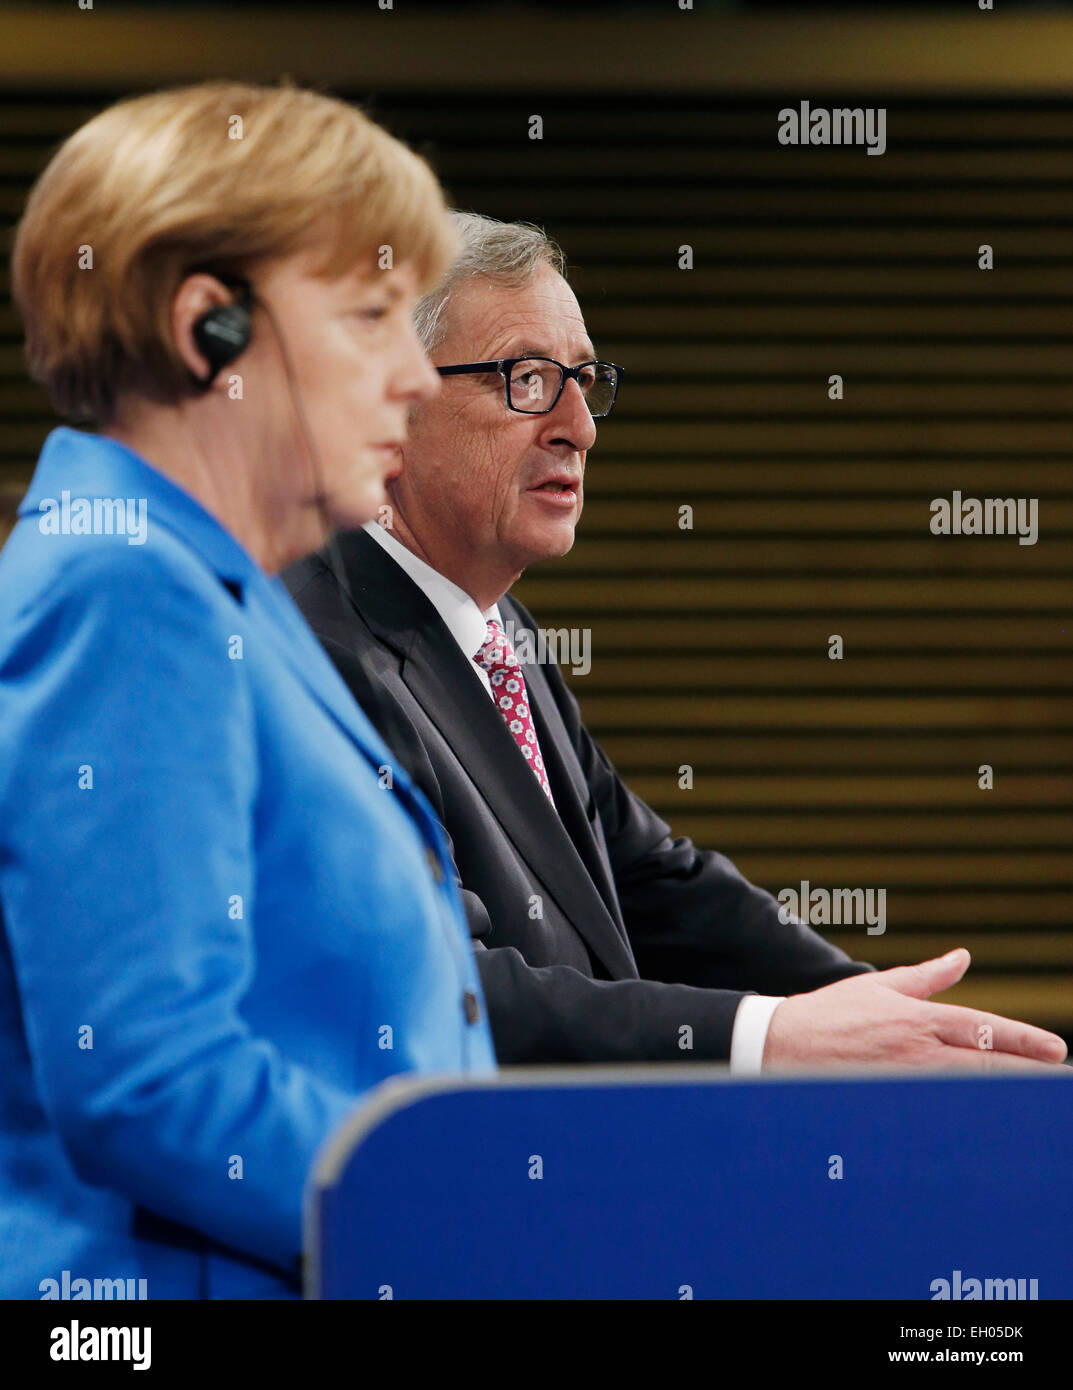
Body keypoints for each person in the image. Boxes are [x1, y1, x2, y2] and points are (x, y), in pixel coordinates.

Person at [285, 212, 1067, 1076]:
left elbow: (654, 881)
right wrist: (767, 1038)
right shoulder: (317, 645)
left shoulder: (499, 630)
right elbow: (435, 991)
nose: (578, 427)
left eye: (584, 380)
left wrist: (879, 1016)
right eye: (528, 378)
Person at [0, 84, 495, 1302]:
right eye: (373, 315)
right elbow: (147, 1077)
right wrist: (466, 1224)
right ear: (207, 329)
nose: (417, 377)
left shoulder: (207, 590)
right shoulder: (126, 592)